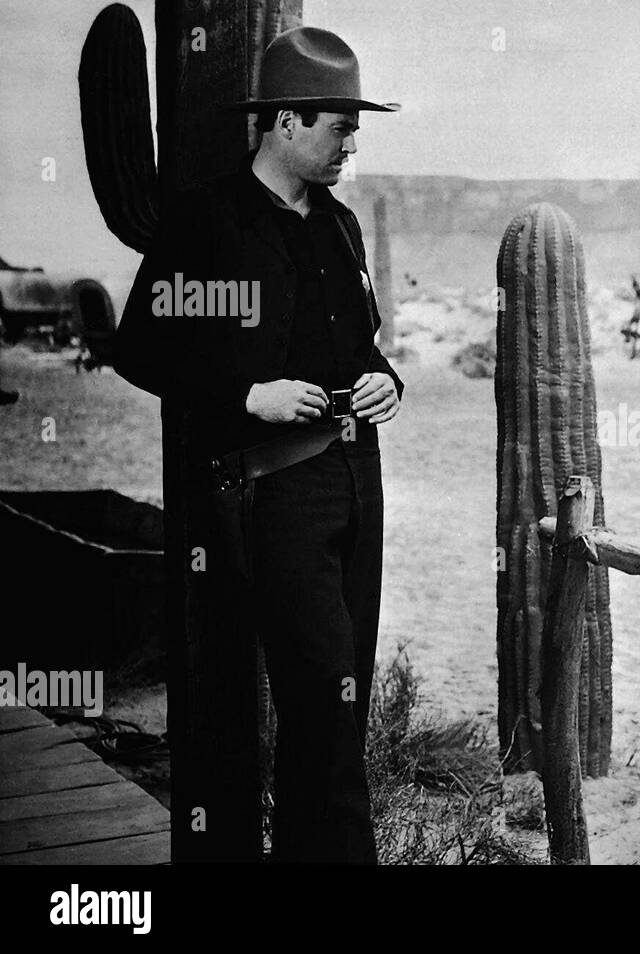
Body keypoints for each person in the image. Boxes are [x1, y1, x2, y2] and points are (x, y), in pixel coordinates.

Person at [115, 27, 403, 863]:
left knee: (339, 708)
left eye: (355, 124)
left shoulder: (341, 226)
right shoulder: (208, 223)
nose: (352, 140)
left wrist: (386, 380)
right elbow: (139, 347)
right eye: (338, 123)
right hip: (274, 493)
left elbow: (361, 348)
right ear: (283, 120)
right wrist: (247, 395)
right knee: (320, 704)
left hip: (359, 481)